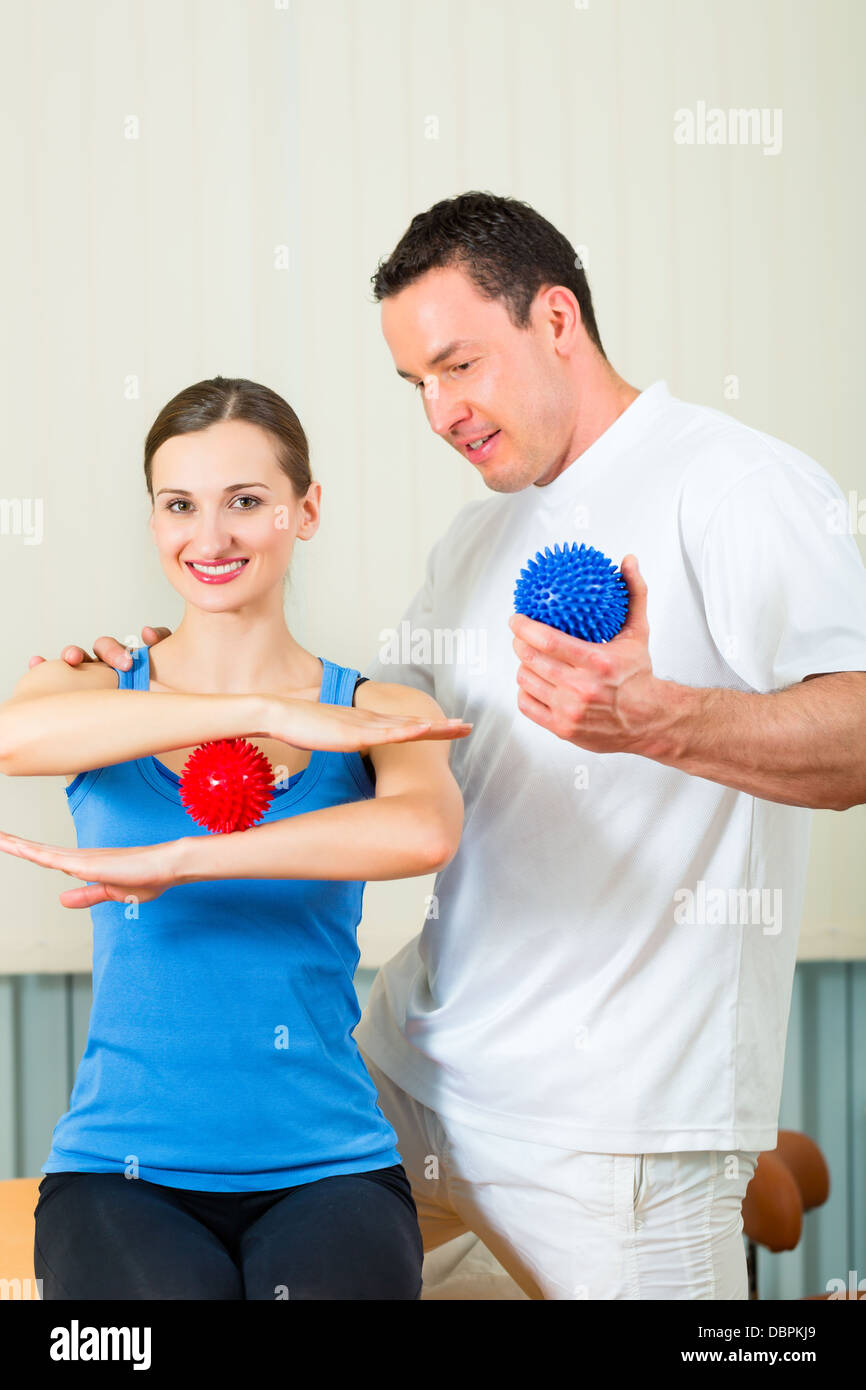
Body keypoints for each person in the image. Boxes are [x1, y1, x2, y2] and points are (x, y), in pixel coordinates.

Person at [36, 193, 866, 1301]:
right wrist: (177, 678)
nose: (439, 411)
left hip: (608, 1131)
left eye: (457, 365)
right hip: (407, 1082)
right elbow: (376, 732)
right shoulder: (482, 528)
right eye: (415, 385)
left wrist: (654, 717)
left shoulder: (732, 489)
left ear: (556, 318)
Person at [0, 374, 472, 1301]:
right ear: (154, 521)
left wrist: (179, 861)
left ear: (306, 510)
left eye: (246, 502)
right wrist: (264, 705)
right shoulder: (93, 689)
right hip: (119, 1172)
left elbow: (422, 831)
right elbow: (14, 740)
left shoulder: (381, 711)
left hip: (331, 1170)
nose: (209, 539)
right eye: (180, 505)